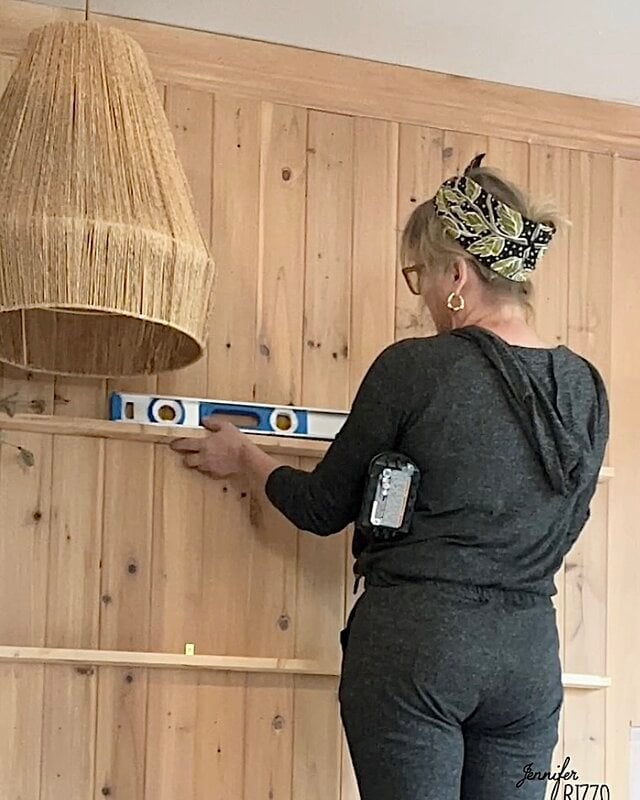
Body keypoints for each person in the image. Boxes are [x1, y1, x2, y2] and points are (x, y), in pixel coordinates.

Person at [170, 155, 609, 800]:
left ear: (457, 274)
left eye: (422, 276)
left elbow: (323, 506)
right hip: (528, 659)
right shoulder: (585, 389)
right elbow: (569, 521)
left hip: (416, 647)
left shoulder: (414, 369)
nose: (424, 296)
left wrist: (246, 459)